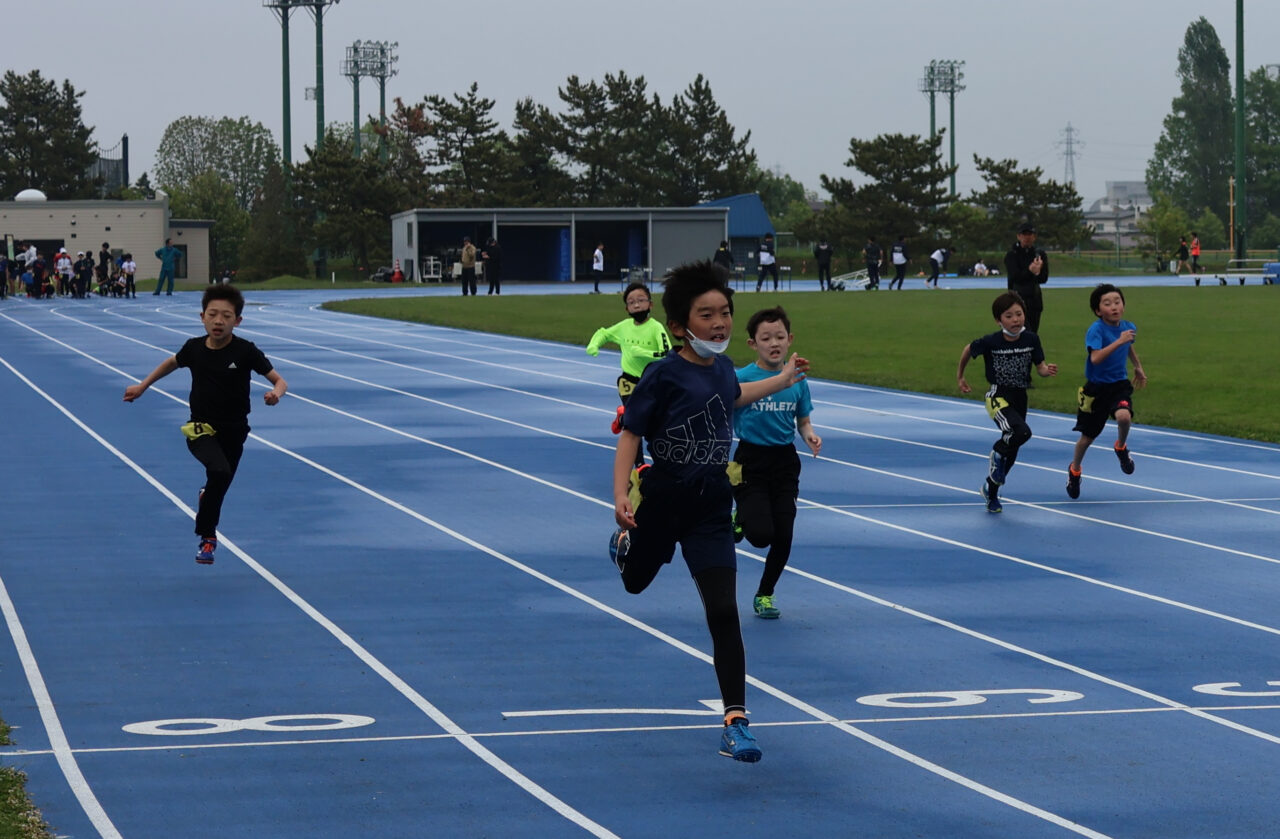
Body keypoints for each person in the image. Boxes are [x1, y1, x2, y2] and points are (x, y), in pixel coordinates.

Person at [608, 260, 809, 763]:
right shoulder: (662, 374)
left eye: (724, 312)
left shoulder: (723, 368)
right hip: (662, 501)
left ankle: (735, 720)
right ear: (679, 326)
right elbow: (631, 434)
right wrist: (621, 496)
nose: (719, 323)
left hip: (712, 508)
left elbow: (738, 393)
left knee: (723, 612)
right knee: (635, 582)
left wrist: (784, 378)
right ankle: (625, 548)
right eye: (706, 314)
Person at [123, 284, 287, 564]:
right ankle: (208, 538)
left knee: (219, 484)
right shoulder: (194, 348)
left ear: (238, 321)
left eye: (226, 316)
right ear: (202, 317)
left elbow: (280, 380)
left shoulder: (246, 351)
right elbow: (171, 363)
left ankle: (206, 499)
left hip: (235, 429)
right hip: (201, 429)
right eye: (213, 314)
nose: (219, 321)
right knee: (220, 472)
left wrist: (275, 394)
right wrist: (143, 385)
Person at [730, 306, 821, 619]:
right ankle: (739, 515)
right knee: (760, 535)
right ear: (753, 343)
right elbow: (730, 405)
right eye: (765, 338)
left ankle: (765, 594)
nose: (774, 343)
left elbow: (803, 420)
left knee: (783, 535)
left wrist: (809, 435)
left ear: (790, 339)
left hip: (784, 462)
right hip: (750, 461)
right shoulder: (741, 378)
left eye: (779, 336)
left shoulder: (798, 379)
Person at [956, 292, 1058, 514]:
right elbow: (968, 350)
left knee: (1012, 453)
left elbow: (1039, 366)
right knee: (1020, 433)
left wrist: (1046, 370)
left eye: (1019, 314)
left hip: (1020, 397)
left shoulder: (1031, 339)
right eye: (1009, 316)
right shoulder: (991, 341)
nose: (1016, 320)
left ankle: (990, 491)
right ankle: (996, 451)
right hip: (997, 396)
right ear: (998, 320)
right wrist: (961, 376)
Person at [1065, 283, 1147, 500]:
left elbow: (1128, 346)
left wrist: (1137, 366)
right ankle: (1075, 470)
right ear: (1098, 310)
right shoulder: (1096, 330)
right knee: (1087, 438)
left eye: (1117, 302)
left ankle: (1121, 447)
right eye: (1107, 303)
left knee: (1124, 417)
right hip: (1096, 389)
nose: (1114, 307)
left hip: (1119, 385)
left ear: (1123, 305)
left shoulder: (1128, 327)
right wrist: (1119, 341)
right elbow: (1096, 358)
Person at [586, 282, 673, 466]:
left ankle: (623, 417)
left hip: (651, 382)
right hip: (629, 381)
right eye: (631, 302)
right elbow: (604, 333)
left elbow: (667, 353)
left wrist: (643, 353)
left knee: (653, 424)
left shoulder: (656, 327)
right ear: (626, 308)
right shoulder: (624, 326)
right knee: (634, 426)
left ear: (650, 304)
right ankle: (640, 466)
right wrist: (594, 344)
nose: (636, 305)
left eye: (641, 300)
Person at [1004, 223, 1048, 334]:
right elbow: (1015, 276)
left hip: (1035, 300)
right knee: (1020, 333)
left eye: (1030, 234)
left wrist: (1037, 272)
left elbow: (1043, 278)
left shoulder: (1039, 254)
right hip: (1017, 299)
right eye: (1024, 234)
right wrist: (1030, 271)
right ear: (1018, 236)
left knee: (1033, 333)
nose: (1027, 237)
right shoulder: (1012, 255)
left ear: (1034, 237)